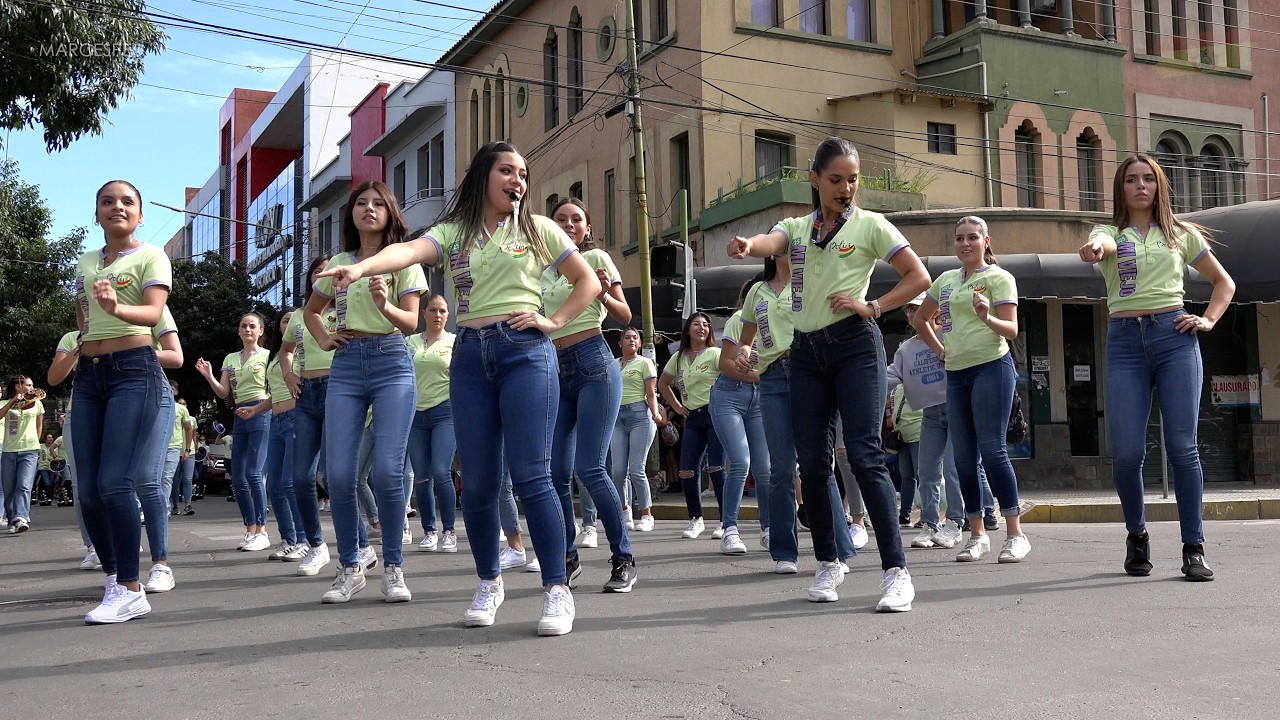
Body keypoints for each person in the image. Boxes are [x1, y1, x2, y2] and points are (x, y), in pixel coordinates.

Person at [317, 141, 599, 636]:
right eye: (507, 170)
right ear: (484, 177)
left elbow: (588, 283)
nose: (518, 180)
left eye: (523, 173)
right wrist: (361, 268)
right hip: (470, 356)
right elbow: (408, 250)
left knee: (533, 475)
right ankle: (490, 581)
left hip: (525, 352)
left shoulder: (540, 231)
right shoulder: (455, 233)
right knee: (481, 481)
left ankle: (557, 588)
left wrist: (552, 320)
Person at [727, 136, 928, 613]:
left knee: (864, 455)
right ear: (814, 180)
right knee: (813, 464)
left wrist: (874, 305)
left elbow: (918, 276)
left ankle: (896, 571)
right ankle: (828, 562)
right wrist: (748, 243)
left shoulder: (871, 226)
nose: (846, 188)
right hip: (805, 353)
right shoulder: (797, 228)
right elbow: (771, 241)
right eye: (835, 179)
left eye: (853, 179)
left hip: (855, 346)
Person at [1078, 153, 1235, 581]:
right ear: (1121, 188)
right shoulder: (1109, 232)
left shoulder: (1179, 234)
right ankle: (1137, 534)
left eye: (1149, 179)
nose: (1141, 186)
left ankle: (1194, 548)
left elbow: (1225, 283)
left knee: (1183, 448)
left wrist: (1207, 319)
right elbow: (1102, 246)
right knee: (1127, 453)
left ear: (1160, 186)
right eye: (1132, 180)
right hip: (1125, 341)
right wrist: (1095, 249)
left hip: (1175, 336)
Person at [306, 180, 426, 605]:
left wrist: (384, 306)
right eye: (361, 203)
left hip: (392, 360)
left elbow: (411, 323)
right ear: (351, 214)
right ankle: (351, 566)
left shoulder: (404, 262)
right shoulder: (338, 263)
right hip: (346, 365)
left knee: (388, 473)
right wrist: (322, 340)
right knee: (337, 474)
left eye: (378, 203)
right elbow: (310, 312)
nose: (369, 209)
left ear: (390, 212)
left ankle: (393, 567)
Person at [72, 179, 174, 624]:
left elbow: (153, 314)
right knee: (89, 491)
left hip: (134, 371)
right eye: (107, 202)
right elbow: (82, 313)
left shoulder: (152, 256)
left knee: (116, 482)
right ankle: (115, 582)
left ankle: (134, 587)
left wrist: (116, 309)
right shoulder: (87, 261)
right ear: (96, 213)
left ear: (140, 214)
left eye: (127, 201)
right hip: (89, 376)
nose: (117, 207)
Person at [912, 216, 1030, 564]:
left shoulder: (999, 277)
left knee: (993, 451)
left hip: (992, 367)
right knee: (963, 457)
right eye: (960, 238)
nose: (965, 244)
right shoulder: (946, 280)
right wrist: (938, 349)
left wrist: (985, 317)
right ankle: (976, 535)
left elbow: (1010, 330)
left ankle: (1015, 534)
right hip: (957, 372)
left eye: (973, 238)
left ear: (986, 241)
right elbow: (920, 319)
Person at [545, 197, 637, 593]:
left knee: (590, 467)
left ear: (587, 228)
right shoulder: (540, 269)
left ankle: (623, 558)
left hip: (594, 362)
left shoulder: (597, 257)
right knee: (554, 473)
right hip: (553, 367)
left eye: (576, 219)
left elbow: (625, 316)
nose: (568, 224)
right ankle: (567, 557)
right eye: (560, 219)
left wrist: (601, 292)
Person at [278, 254, 349, 577]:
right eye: (316, 272)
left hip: (338, 389)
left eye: (327, 271)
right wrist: (289, 375)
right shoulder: (299, 317)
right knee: (301, 477)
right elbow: (285, 351)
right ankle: (316, 545)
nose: (322, 275)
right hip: (306, 394)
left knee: (333, 474)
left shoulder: (347, 308)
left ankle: (359, 543)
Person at [196, 312, 273, 553]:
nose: (248, 329)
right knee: (237, 477)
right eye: (243, 326)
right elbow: (222, 392)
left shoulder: (269, 357)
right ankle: (250, 528)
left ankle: (262, 529)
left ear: (261, 331)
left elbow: (275, 389)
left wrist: (259, 408)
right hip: (240, 414)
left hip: (260, 410)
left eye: (252, 326)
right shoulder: (230, 359)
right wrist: (208, 375)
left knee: (253, 474)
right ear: (238, 331)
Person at [711, 283, 771, 555]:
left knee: (765, 468)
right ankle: (730, 529)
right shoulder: (739, 320)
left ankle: (769, 529)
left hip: (759, 398)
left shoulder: (776, 321)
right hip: (729, 395)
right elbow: (724, 363)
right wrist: (761, 376)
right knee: (741, 461)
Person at [658, 313, 724, 541]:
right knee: (687, 470)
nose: (702, 328)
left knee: (716, 468)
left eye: (706, 325)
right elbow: (663, 383)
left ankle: (727, 522)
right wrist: (677, 406)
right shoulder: (678, 358)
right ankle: (696, 518)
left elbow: (729, 378)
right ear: (687, 330)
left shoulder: (716, 353)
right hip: (693, 418)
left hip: (715, 415)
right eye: (696, 324)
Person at [406, 294, 458, 553]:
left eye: (442, 311)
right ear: (423, 313)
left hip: (445, 412)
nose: (437, 315)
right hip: (415, 414)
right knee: (422, 477)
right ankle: (429, 531)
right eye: (433, 310)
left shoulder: (454, 342)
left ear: (448, 315)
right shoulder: (410, 342)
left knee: (441, 471)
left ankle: (449, 530)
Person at [264, 311, 307, 562]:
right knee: (274, 485)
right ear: (279, 327)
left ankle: (304, 539)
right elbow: (275, 393)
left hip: (294, 418)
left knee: (290, 483)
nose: (289, 322)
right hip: (275, 420)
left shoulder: (302, 351)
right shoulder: (277, 357)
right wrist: (256, 409)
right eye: (284, 319)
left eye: (293, 319)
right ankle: (288, 539)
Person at [611, 327, 659, 532]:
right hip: (616, 418)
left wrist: (655, 414)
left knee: (636, 468)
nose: (631, 340)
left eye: (635, 338)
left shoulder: (645, 363)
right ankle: (625, 511)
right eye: (627, 337)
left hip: (640, 414)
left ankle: (647, 514)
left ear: (639, 343)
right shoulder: (612, 364)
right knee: (618, 471)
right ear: (620, 343)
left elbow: (651, 393)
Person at [2, 376, 44, 532]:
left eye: (32, 384)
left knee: (24, 485)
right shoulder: (6, 403)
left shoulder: (37, 403)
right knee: (9, 489)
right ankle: (13, 518)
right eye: (28, 385)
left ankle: (21, 517)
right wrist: (12, 402)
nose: (31, 388)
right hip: (9, 451)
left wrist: (35, 442)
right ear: (18, 387)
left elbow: (40, 425)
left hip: (29, 450)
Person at [169, 398, 197, 516]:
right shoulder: (172, 414)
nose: (182, 405)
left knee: (187, 479)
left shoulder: (192, 419)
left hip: (189, 453)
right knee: (175, 481)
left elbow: (193, 432)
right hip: (175, 451)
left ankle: (188, 504)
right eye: (180, 403)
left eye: (184, 403)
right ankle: (175, 505)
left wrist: (191, 447)